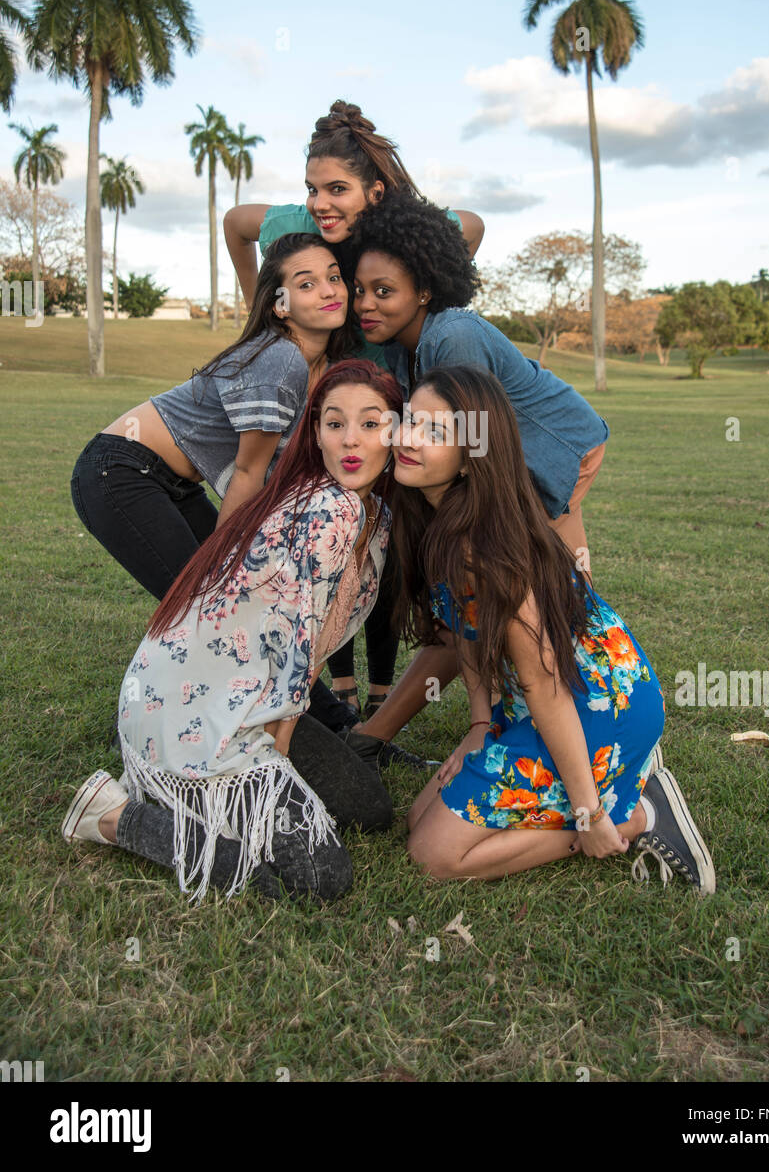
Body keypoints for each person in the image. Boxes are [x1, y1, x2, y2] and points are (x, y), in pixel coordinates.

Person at [62, 360, 406, 904]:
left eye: (371, 423)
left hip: (246, 695)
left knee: (369, 810)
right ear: (314, 433)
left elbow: (313, 638)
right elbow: (297, 632)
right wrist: (283, 736)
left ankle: (202, 801)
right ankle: (113, 815)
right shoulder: (330, 506)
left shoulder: (377, 518)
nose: (351, 441)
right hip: (193, 709)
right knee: (319, 879)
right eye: (334, 423)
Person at [389, 365, 715, 895]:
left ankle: (635, 816)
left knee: (432, 856)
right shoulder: (434, 514)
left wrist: (587, 814)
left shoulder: (484, 547)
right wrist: (478, 726)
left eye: (434, 433)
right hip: (540, 702)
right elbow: (465, 634)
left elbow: (546, 684)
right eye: (408, 420)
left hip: (597, 705)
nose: (406, 439)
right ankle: (613, 796)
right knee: (419, 817)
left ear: (473, 459)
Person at [224, 101, 484, 720]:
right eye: (313, 188)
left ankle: (378, 695)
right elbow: (237, 221)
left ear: (376, 190)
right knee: (329, 536)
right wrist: (263, 308)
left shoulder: (398, 227)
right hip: (324, 405)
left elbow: (469, 225)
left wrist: (429, 293)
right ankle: (337, 688)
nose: (321, 203)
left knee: (387, 543)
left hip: (386, 403)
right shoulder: (297, 222)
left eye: (337, 189)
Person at [345, 189, 610, 762]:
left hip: (553, 449)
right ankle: (386, 735)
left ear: (425, 290)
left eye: (384, 291)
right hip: (506, 459)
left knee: (527, 592)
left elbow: (473, 444)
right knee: (522, 593)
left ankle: (593, 724)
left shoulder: (452, 337)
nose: (366, 303)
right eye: (361, 289)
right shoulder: (397, 344)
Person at [70, 235, 353, 603]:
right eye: (306, 284)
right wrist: (229, 565)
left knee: (225, 603)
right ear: (280, 306)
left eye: (334, 278)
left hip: (175, 483)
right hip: (121, 470)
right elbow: (250, 472)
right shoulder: (280, 360)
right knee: (204, 605)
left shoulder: (325, 370)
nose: (328, 291)